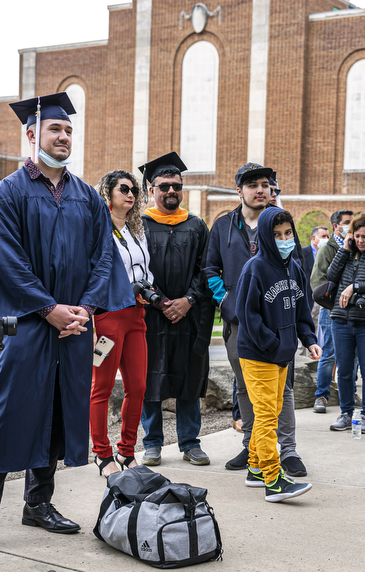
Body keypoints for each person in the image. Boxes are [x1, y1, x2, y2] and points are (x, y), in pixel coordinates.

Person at [0, 93, 134, 557]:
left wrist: (86, 309)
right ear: (33, 135)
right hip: (27, 325)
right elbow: (7, 261)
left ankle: (38, 503)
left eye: (69, 130)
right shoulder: (10, 192)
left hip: (74, 326)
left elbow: (103, 258)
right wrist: (48, 308)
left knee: (57, 413)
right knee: (6, 415)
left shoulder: (87, 198)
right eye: (55, 129)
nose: (63, 136)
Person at [206, 163, 308, 477]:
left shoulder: (282, 224)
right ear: (239, 191)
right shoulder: (223, 226)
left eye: (265, 184)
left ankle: (287, 450)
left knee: (284, 388)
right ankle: (252, 445)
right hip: (239, 323)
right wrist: (225, 299)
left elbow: (298, 268)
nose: (260, 189)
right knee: (244, 386)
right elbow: (210, 270)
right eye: (252, 185)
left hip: (278, 322)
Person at [234, 208, 320, 501]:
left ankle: (256, 468)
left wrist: (308, 340)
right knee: (268, 416)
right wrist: (272, 343)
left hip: (283, 355)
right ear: (266, 237)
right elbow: (247, 315)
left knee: (266, 414)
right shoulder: (255, 268)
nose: (284, 239)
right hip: (259, 354)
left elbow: (301, 310)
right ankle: (274, 480)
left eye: (287, 233)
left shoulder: (294, 267)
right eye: (276, 234)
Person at [136, 152, 215, 468]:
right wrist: (158, 299)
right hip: (150, 315)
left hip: (187, 315)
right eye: (164, 186)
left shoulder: (196, 225)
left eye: (176, 186)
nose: (171, 191)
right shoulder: (139, 225)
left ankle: (190, 442)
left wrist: (188, 300)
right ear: (151, 190)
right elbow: (133, 270)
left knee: (188, 377)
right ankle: (152, 443)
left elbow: (206, 268)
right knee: (149, 378)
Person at [89, 170, 150, 478]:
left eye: (134, 191)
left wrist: (146, 288)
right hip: (108, 317)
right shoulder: (98, 230)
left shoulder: (136, 231)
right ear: (108, 194)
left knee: (138, 385)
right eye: (123, 189)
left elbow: (145, 270)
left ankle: (127, 449)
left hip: (136, 316)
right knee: (101, 386)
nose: (130, 194)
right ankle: (101, 453)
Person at [326, 214, 365, 431]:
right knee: (344, 370)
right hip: (341, 320)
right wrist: (345, 249)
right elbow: (331, 275)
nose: (361, 241)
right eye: (357, 236)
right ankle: (345, 414)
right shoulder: (347, 253)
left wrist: (356, 287)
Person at [310, 210, 354, 413]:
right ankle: (321, 396)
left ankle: (350, 393)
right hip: (332, 309)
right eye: (346, 223)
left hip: (354, 309)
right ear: (336, 226)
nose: (350, 226)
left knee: (352, 355)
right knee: (329, 352)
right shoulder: (328, 248)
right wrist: (334, 303)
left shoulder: (357, 245)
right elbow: (317, 281)